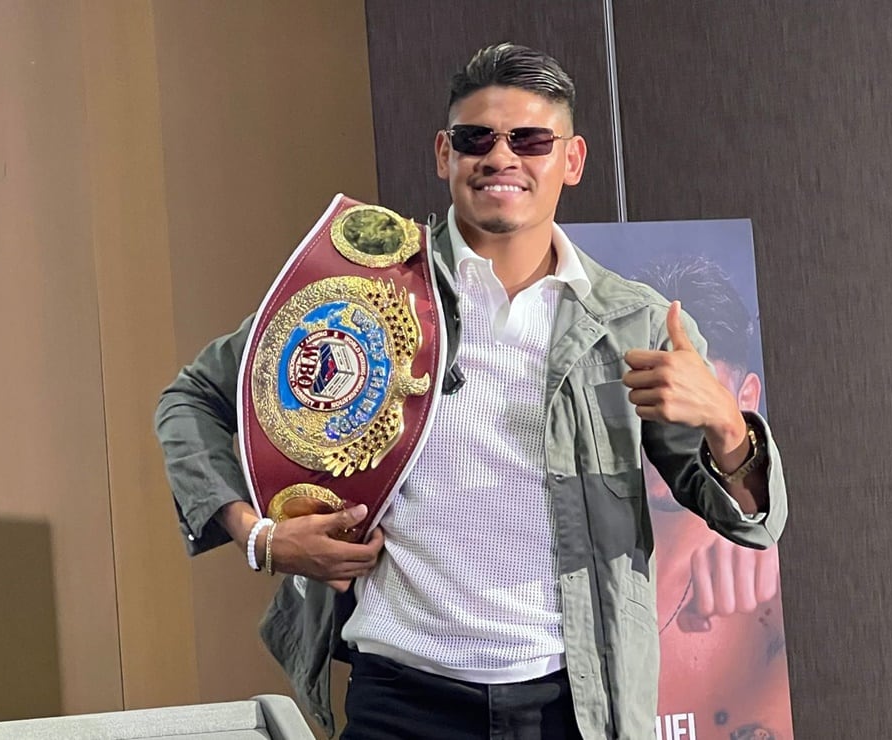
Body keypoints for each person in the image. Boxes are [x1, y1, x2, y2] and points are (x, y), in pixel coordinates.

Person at [155, 43, 787, 740]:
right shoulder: (364, 289)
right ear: (443, 154)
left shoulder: (633, 321)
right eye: (475, 139)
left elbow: (749, 522)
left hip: (572, 706)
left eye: (530, 140)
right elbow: (192, 398)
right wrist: (259, 537)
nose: (500, 157)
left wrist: (728, 426)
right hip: (399, 698)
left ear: (571, 159)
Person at [637, 256, 791, 740]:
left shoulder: (762, 597)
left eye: (695, 397)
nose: (671, 422)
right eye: (654, 396)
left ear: (746, 398)